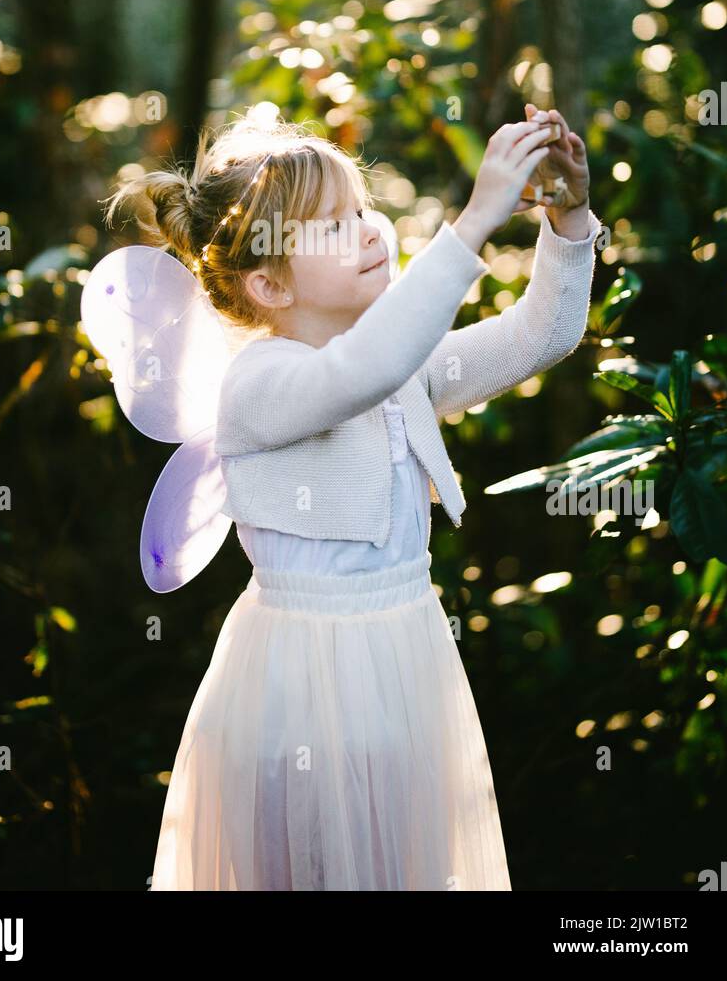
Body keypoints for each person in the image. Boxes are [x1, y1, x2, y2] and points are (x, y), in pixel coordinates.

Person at [107, 106, 602, 890]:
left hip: (404, 666)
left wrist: (569, 217)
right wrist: (472, 223)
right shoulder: (260, 387)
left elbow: (541, 335)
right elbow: (353, 376)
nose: (369, 229)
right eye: (333, 226)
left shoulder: (402, 363)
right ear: (267, 282)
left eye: (363, 210)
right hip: (300, 689)